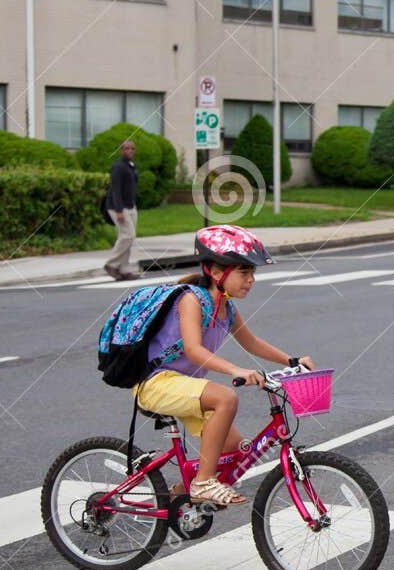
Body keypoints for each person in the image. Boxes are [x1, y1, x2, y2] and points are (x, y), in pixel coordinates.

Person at [132, 225, 313, 507]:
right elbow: (193, 350)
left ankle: (178, 499)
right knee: (226, 398)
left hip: (187, 387)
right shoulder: (191, 300)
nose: (251, 280)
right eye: (244, 272)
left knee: (234, 450)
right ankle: (203, 483)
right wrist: (236, 370)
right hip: (156, 383)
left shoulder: (226, 308)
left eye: (252, 273)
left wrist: (292, 361)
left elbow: (251, 342)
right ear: (217, 273)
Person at [104, 140, 141, 280]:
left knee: (128, 238)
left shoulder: (131, 166)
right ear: (121, 151)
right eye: (126, 148)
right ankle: (111, 264)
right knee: (128, 235)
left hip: (130, 206)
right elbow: (115, 189)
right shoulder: (118, 167)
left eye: (132, 148)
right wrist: (119, 210)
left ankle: (124, 268)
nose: (130, 151)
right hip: (118, 207)